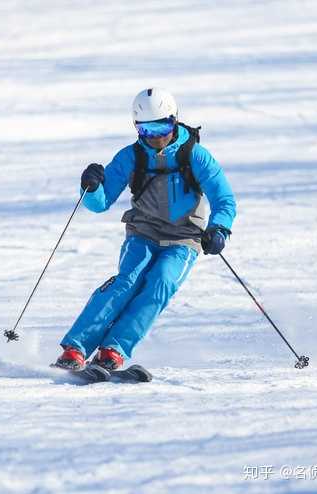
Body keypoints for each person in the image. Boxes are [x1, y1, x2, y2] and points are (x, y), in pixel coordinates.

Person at [56, 88, 236, 371]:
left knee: (160, 284)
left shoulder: (196, 157)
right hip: (143, 232)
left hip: (184, 238)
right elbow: (99, 203)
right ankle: (76, 348)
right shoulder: (131, 157)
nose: (155, 136)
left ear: (174, 121)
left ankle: (113, 349)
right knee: (127, 281)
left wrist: (219, 229)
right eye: (146, 129)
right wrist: (89, 186)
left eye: (161, 126)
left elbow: (224, 200)